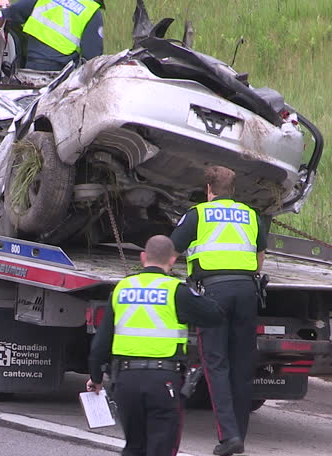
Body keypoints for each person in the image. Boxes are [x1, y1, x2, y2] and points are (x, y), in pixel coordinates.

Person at [87, 235, 225, 456]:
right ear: (172, 260)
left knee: (134, 447)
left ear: (143, 257)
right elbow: (216, 316)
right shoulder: (176, 291)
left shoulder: (121, 289)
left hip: (126, 381)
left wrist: (95, 378)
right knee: (161, 448)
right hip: (164, 382)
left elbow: (100, 345)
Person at [169, 166, 268, 456]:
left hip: (213, 293)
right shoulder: (251, 215)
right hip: (247, 291)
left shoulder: (198, 214)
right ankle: (239, 434)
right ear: (233, 190)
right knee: (241, 365)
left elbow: (170, 252)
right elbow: (259, 259)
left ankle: (229, 437)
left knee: (216, 364)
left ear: (209, 189)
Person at [1, 0, 106, 71]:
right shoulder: (92, 10)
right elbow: (92, 55)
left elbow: (13, 12)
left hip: (31, 61)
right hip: (60, 70)